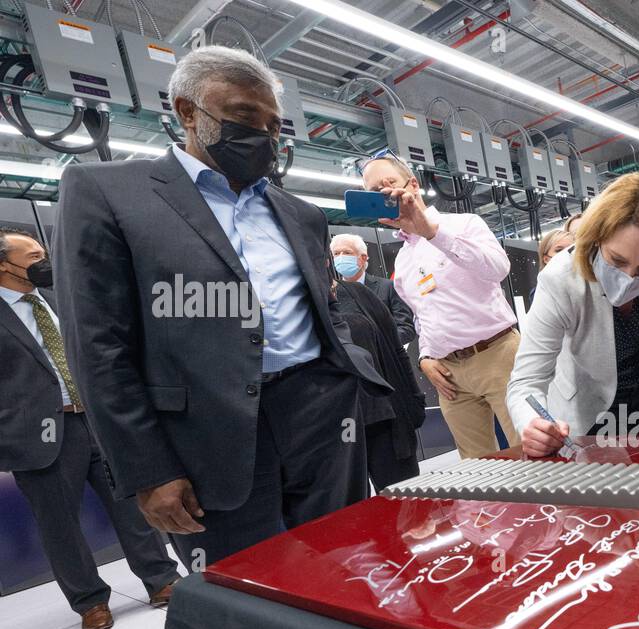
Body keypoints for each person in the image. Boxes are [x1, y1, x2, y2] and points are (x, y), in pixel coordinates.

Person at [57, 46, 388, 568]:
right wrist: (146, 468)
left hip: (321, 415)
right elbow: (98, 346)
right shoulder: (108, 192)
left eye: (274, 124)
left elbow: (326, 306)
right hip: (205, 432)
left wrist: (345, 369)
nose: (263, 133)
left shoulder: (299, 213)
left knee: (346, 563)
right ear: (188, 111)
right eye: (243, 116)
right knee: (244, 586)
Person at [0, 230, 180, 629]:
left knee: (132, 503)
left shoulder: (59, 299)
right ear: (3, 264)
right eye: (33, 256)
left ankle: (161, 578)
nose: (43, 262)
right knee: (59, 525)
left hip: (96, 419)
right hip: (39, 434)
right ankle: (89, 602)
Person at [508, 174, 639, 457]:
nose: (628, 279)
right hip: (584, 421)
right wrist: (532, 423)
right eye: (617, 261)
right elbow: (526, 381)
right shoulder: (560, 280)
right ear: (596, 239)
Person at [362, 151, 520, 458]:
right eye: (373, 192)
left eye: (389, 183)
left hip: (498, 356)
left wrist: (432, 233)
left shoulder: (465, 224)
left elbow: (497, 269)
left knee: (531, 452)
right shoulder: (404, 260)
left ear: (412, 185)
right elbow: (423, 317)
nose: (384, 193)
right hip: (449, 375)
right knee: (476, 468)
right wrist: (425, 356)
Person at [333, 273, 426, 488]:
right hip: (336, 428)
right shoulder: (296, 306)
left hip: (385, 418)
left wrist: (414, 400)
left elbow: (396, 351)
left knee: (407, 508)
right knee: (351, 515)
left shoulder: (357, 292)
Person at [329, 233, 415, 346]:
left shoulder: (388, 287)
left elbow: (406, 328)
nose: (341, 257)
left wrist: (381, 346)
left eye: (347, 252)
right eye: (336, 254)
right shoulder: (331, 292)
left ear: (363, 258)